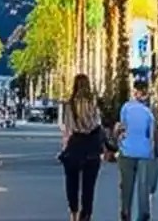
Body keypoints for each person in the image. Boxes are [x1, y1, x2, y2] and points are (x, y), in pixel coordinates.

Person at [59, 73, 103, 221]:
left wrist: (64, 148)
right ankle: (86, 214)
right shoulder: (94, 103)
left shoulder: (70, 104)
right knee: (88, 186)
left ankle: (73, 213)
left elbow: (68, 130)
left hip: (75, 145)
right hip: (91, 147)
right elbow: (97, 124)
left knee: (72, 182)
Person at [115, 79, 158, 221]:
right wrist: (152, 152)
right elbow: (151, 135)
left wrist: (119, 142)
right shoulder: (149, 113)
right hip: (144, 152)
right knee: (143, 185)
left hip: (127, 151)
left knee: (126, 185)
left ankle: (125, 211)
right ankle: (144, 213)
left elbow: (122, 128)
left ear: (135, 92)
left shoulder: (126, 108)